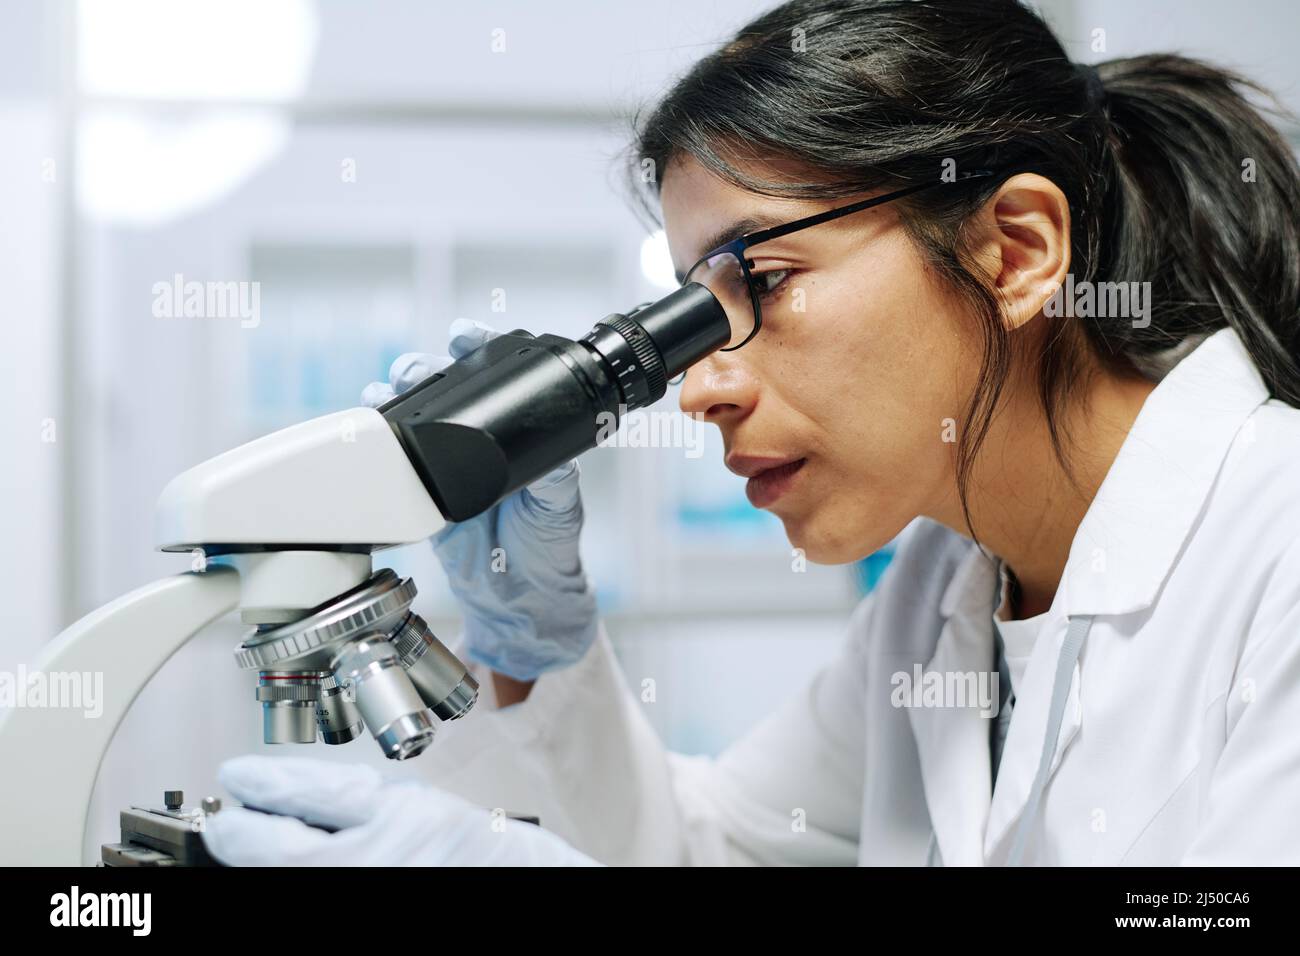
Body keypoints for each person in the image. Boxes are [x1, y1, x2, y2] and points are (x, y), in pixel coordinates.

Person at [203, 0, 1300, 866]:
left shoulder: (1275, 546)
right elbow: (715, 845)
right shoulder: (938, 588)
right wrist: (539, 650)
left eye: (762, 281)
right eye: (692, 312)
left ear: (1013, 251)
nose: (699, 390)